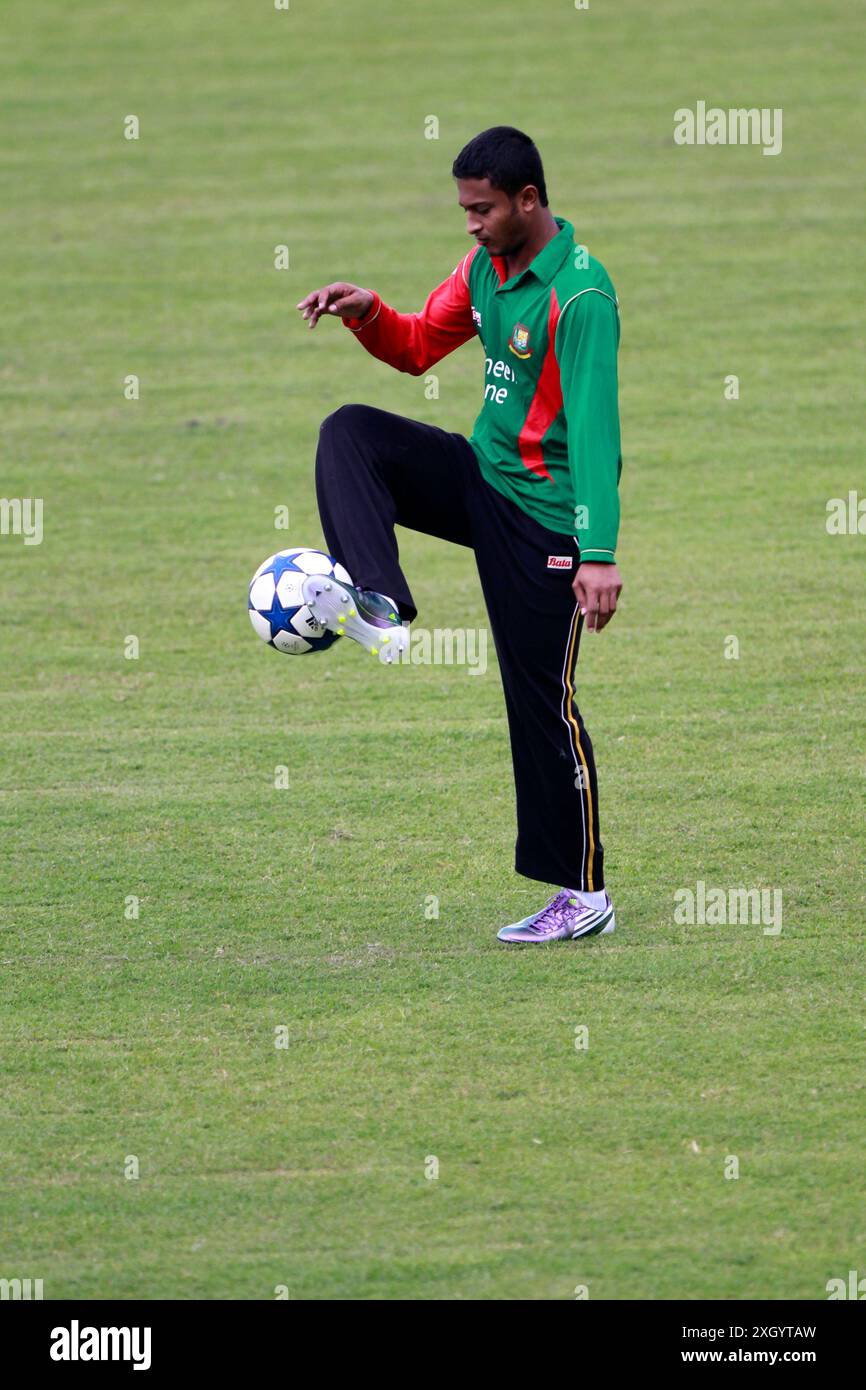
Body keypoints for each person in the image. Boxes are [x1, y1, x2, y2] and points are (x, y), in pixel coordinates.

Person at [296, 126, 623, 944]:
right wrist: (367, 312)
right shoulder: (485, 269)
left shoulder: (579, 296)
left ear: (528, 201)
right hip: (482, 478)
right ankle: (378, 598)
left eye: (482, 210)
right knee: (351, 434)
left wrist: (600, 556)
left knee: (540, 703)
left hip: (544, 520)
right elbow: (413, 348)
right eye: (464, 210)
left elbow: (594, 432)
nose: (470, 225)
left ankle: (583, 896)